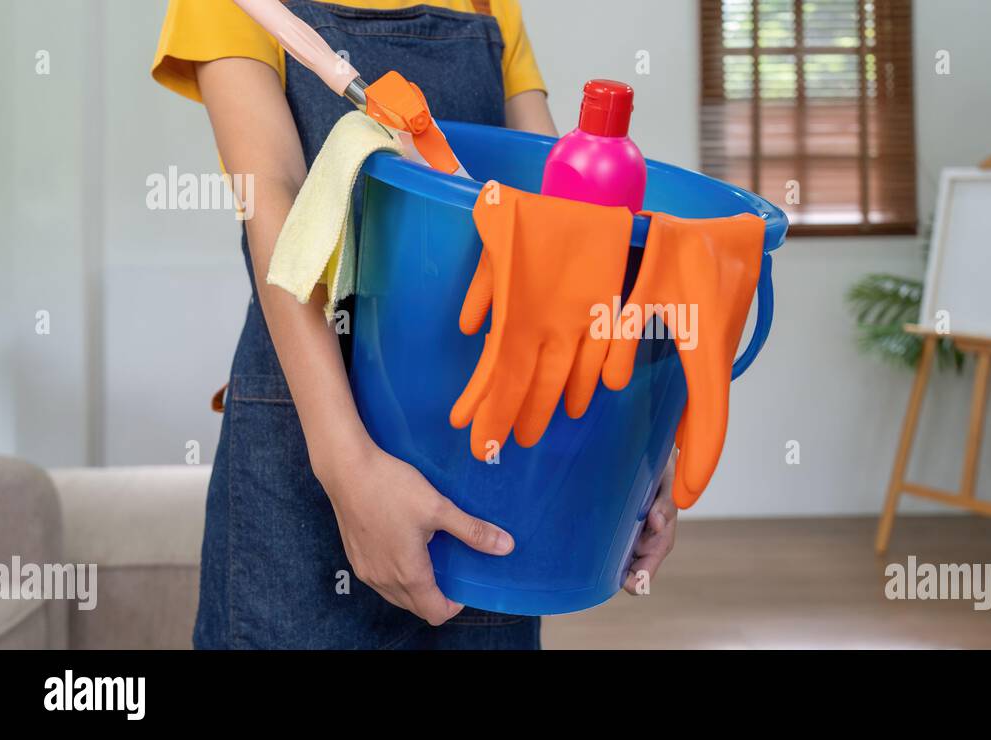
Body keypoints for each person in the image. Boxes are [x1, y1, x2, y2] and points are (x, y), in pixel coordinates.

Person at [151, 0, 678, 650]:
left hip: (483, 460)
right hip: (308, 450)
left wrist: (635, 453)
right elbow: (277, 207)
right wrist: (348, 470)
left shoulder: (489, 6)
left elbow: (564, 228)